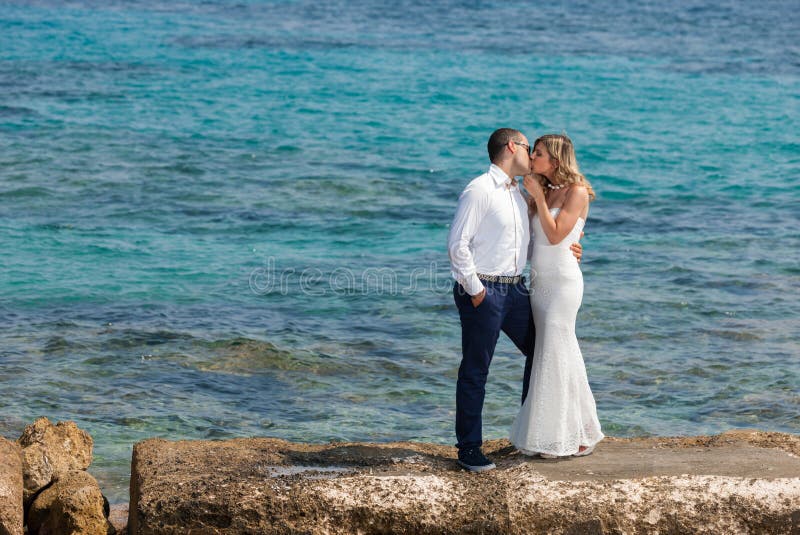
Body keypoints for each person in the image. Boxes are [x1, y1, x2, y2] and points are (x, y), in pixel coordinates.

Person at [447, 129, 582, 472]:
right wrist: (477, 291)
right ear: (512, 147)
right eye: (527, 147)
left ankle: (533, 433)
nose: (531, 155)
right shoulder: (479, 190)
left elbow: (534, 242)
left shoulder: (520, 194)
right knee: (476, 370)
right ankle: (469, 449)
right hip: (485, 290)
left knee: (543, 352)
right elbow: (457, 245)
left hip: (516, 289)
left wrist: (571, 249)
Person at [509, 134, 604, 458]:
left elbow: (554, 235)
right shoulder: (546, 190)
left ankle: (566, 435)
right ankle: (573, 431)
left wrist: (535, 193)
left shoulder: (576, 191)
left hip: (563, 282)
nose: (533, 158)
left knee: (557, 350)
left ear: (556, 160)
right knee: (554, 352)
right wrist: (534, 193)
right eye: (532, 152)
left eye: (538, 153)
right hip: (539, 282)